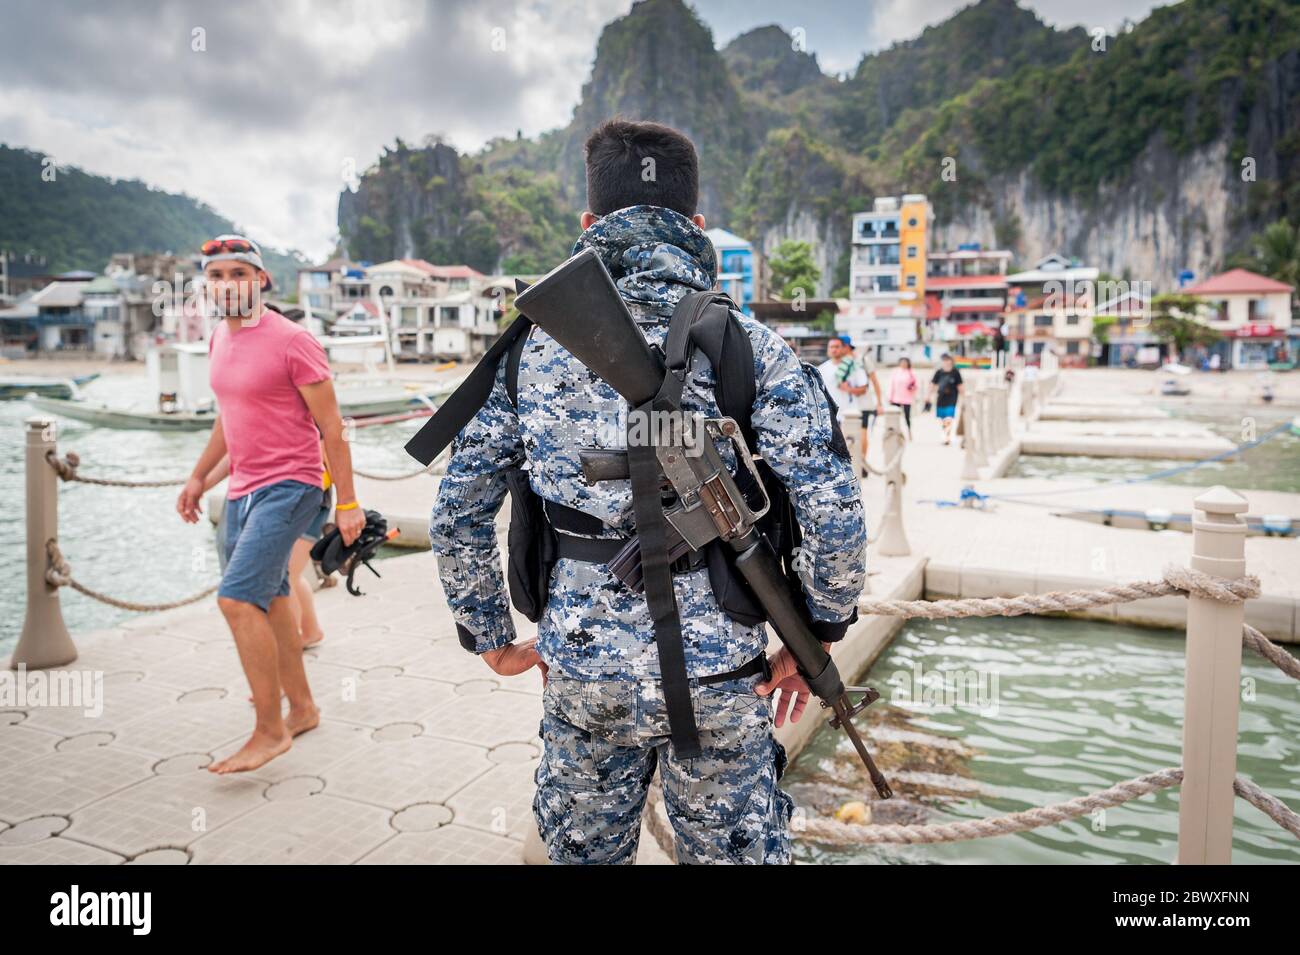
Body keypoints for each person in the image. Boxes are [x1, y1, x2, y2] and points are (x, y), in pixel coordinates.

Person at [428, 119, 867, 864]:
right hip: (727, 675)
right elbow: (834, 509)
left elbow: (458, 510)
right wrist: (817, 629)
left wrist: (491, 635)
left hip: (582, 671)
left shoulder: (529, 349)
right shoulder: (750, 345)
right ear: (697, 227)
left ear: (588, 224)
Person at [176, 234, 363, 774]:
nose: (228, 283)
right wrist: (197, 479)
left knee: (236, 601)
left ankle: (269, 729)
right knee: (274, 596)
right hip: (240, 491)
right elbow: (228, 420)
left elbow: (333, 427)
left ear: (261, 280)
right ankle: (301, 709)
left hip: (293, 485)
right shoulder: (218, 340)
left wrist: (347, 503)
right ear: (206, 285)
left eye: (240, 273)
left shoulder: (293, 341)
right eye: (217, 275)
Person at [818, 335, 881, 479]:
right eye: (831, 347)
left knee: (852, 443)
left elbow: (864, 388)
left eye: (837, 347)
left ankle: (856, 469)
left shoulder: (854, 366)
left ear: (843, 348)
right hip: (830, 415)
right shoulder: (822, 369)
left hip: (849, 414)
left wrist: (848, 389)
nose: (834, 350)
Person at [925, 352, 964, 445]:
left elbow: (960, 385)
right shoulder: (939, 372)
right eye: (944, 360)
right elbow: (932, 384)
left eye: (948, 360)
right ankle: (946, 434)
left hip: (952, 398)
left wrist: (964, 397)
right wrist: (928, 396)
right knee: (943, 419)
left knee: (949, 417)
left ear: (951, 361)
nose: (946, 362)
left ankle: (947, 437)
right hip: (941, 398)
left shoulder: (955, 372)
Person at [887, 356, 918, 436]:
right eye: (902, 362)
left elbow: (915, 386)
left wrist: (912, 388)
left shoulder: (911, 373)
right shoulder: (895, 372)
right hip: (895, 398)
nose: (903, 364)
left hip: (907, 399)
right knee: (894, 417)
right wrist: (889, 397)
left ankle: (909, 432)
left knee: (907, 417)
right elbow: (891, 385)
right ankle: (895, 432)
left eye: (905, 362)